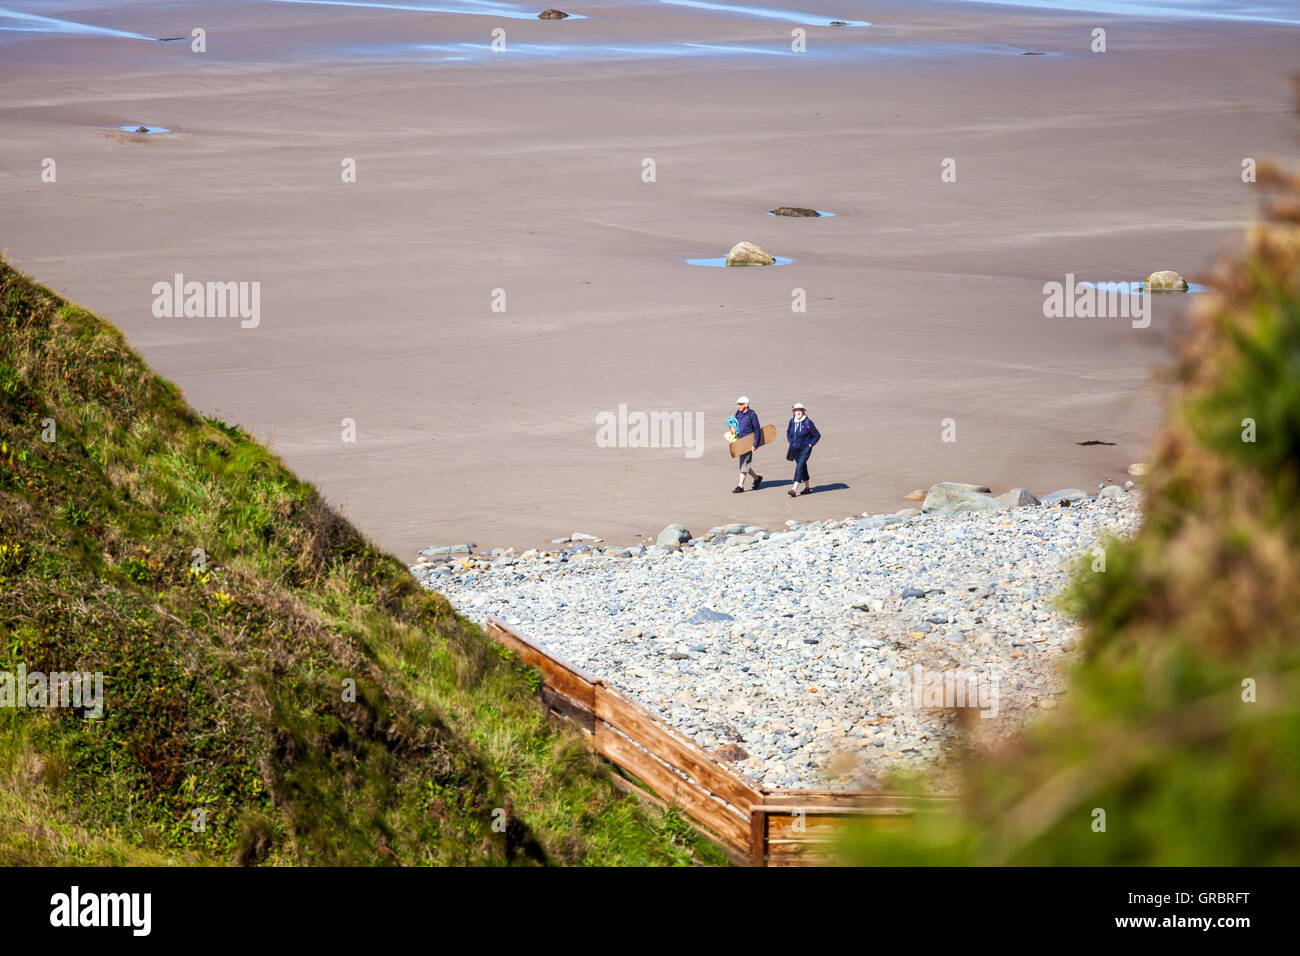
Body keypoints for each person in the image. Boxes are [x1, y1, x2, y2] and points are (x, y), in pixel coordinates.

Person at [786, 402, 820, 496]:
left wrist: (810, 444)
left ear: (803, 411)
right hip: (795, 448)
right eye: (796, 410)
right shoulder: (792, 421)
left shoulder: (808, 422)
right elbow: (788, 432)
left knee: (799, 467)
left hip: (805, 449)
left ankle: (794, 489)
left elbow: (817, 435)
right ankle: (807, 488)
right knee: (802, 467)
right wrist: (790, 440)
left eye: (800, 410)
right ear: (794, 412)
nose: (798, 412)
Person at [731, 396, 764, 493]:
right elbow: (734, 423)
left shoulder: (752, 415)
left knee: (744, 464)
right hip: (740, 442)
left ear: (746, 404)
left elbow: (757, 430)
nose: (739, 406)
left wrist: (755, 444)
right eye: (738, 404)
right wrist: (732, 428)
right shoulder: (738, 413)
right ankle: (757, 478)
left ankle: (740, 486)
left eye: (741, 404)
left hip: (749, 442)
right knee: (744, 464)